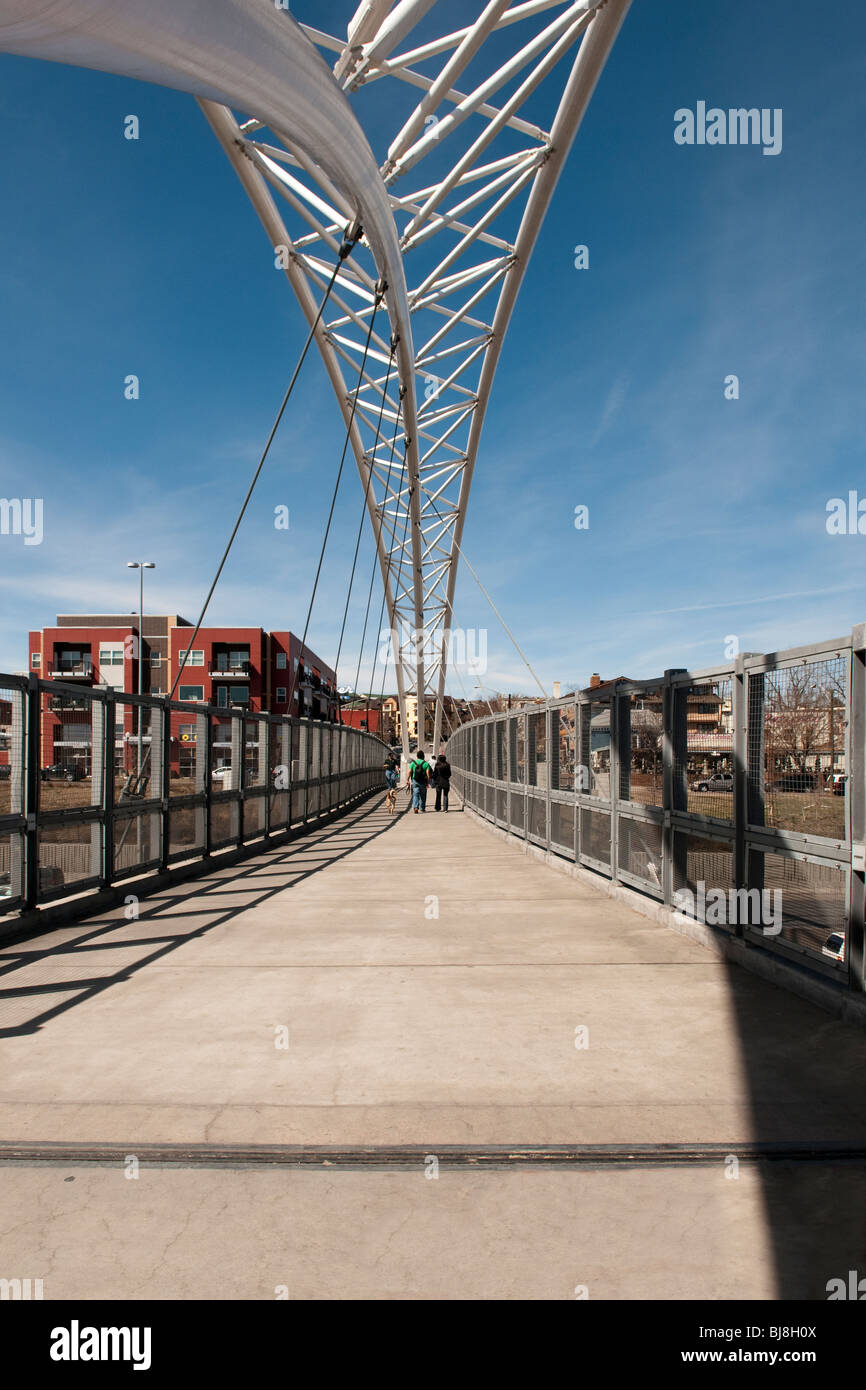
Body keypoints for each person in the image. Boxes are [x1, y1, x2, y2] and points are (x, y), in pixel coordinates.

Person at [406, 749, 431, 813]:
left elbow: (409, 772)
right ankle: (422, 808)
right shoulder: (426, 764)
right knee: (423, 795)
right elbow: (428, 775)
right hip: (423, 781)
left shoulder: (413, 763)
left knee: (415, 794)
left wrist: (407, 780)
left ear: (417, 756)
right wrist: (428, 783)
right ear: (423, 756)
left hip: (415, 781)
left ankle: (415, 807)